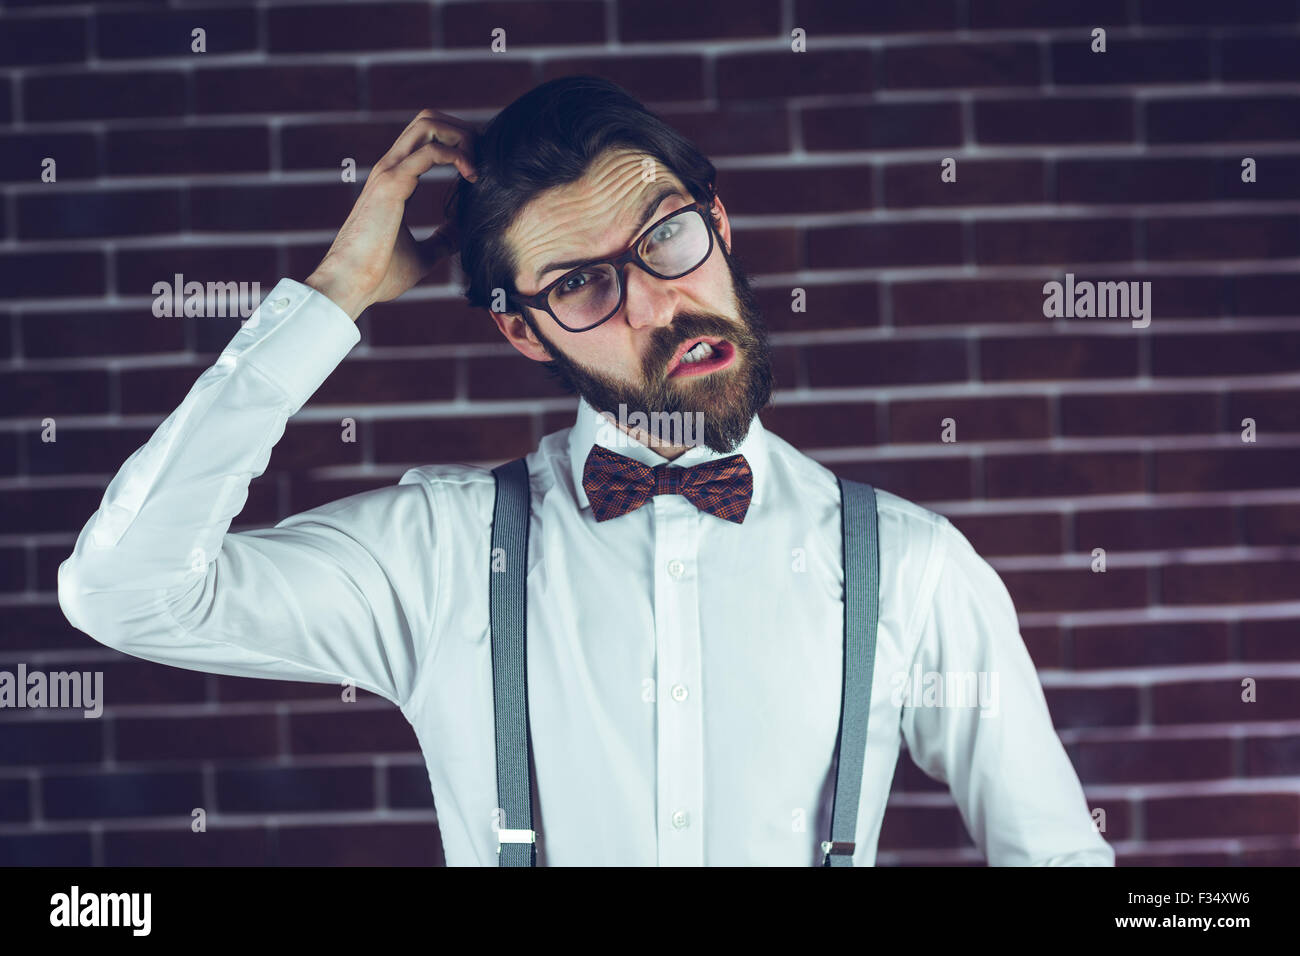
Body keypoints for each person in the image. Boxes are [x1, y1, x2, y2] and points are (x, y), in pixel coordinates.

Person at [59, 75, 1113, 867]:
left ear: (720, 223)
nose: (657, 302)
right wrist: (334, 295)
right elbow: (129, 590)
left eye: (668, 238)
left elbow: (1061, 857)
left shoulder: (913, 566)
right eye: (582, 285)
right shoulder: (441, 554)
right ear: (524, 334)